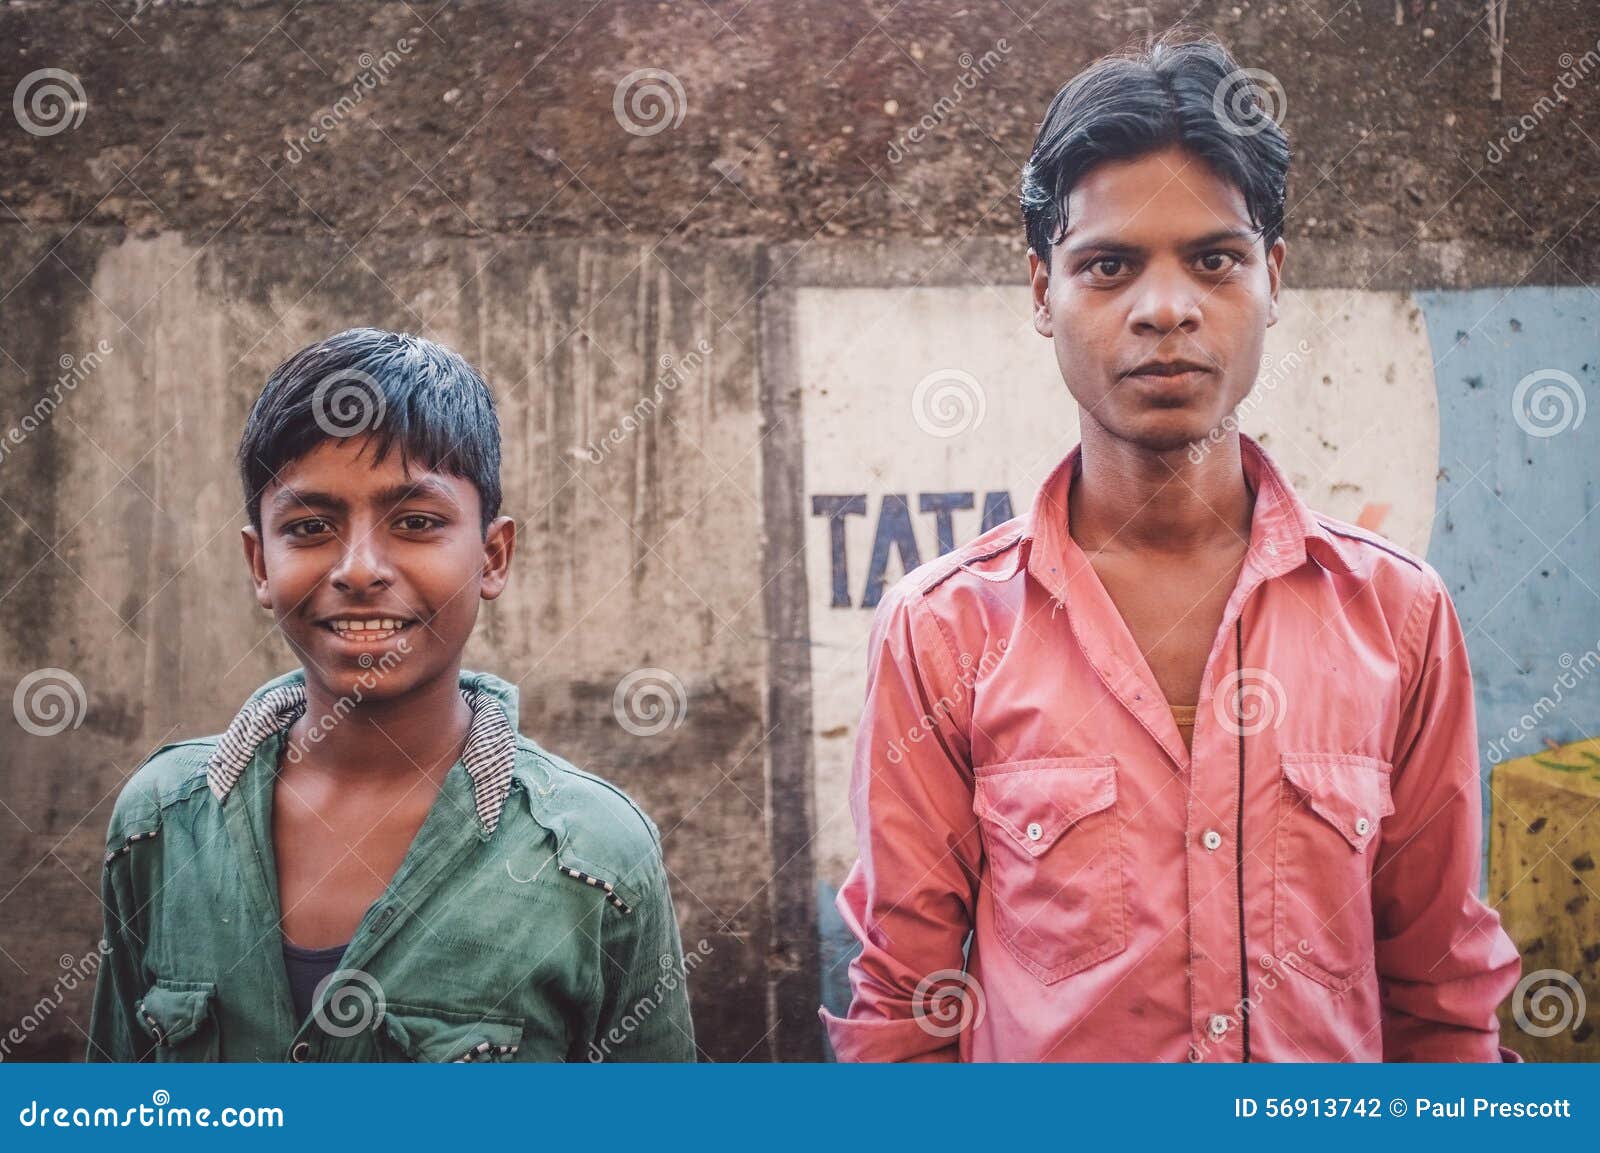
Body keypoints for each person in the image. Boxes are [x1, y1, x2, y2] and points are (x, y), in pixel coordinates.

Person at [822, 34, 1522, 1062]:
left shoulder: (1397, 615)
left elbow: (1441, 993)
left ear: (1273, 278)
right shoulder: (944, 631)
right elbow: (901, 1004)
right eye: (1108, 266)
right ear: (1041, 291)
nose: (1165, 309)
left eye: (1214, 259)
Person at [88, 328, 696, 1061]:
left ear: (492, 555)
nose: (359, 568)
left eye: (416, 523)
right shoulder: (161, 823)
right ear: (260, 563)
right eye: (310, 527)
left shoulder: (596, 854)